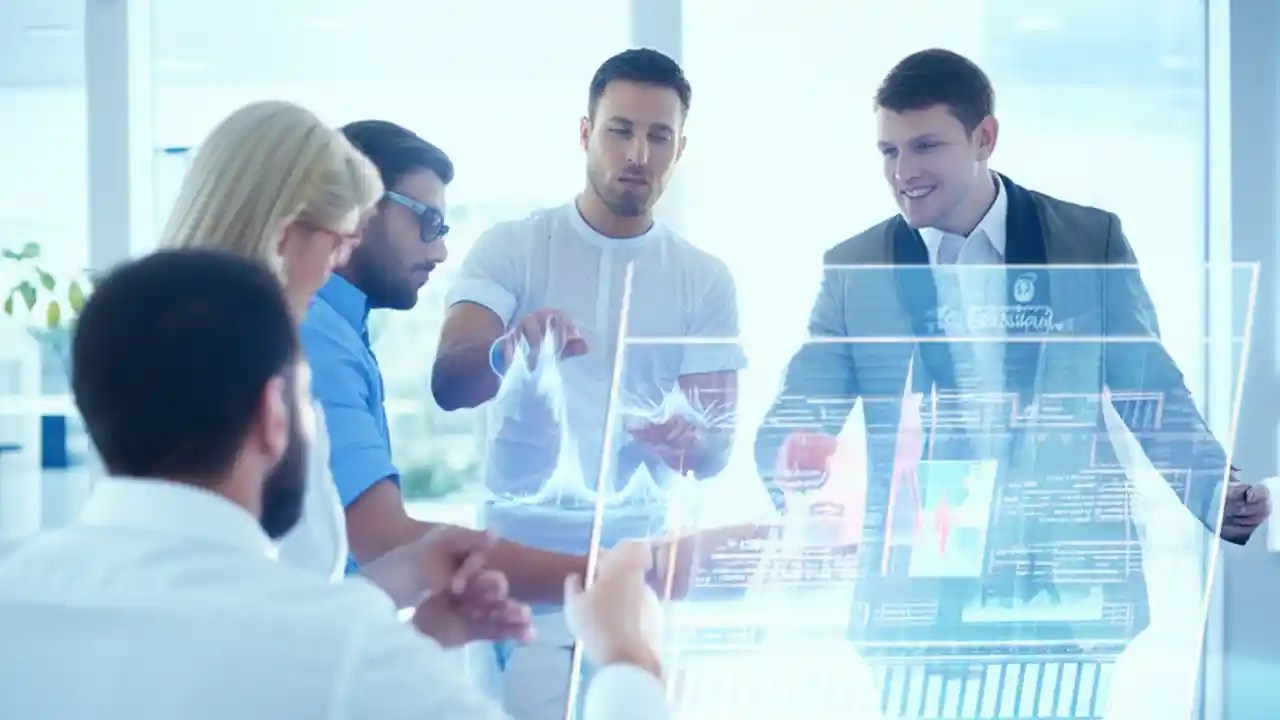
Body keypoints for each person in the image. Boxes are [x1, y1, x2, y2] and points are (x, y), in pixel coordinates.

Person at [754, 48, 1270, 717]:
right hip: (920, 597)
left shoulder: (1088, 241)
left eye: (925, 146)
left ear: (985, 138)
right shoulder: (858, 267)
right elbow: (806, 400)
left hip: (1062, 584)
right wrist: (793, 455)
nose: (903, 173)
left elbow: (1149, 390)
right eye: (888, 151)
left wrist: (1214, 489)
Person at [0, 250, 669, 720]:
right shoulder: (339, 646)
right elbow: (309, 662)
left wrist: (412, 629)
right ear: (272, 413)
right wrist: (625, 661)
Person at [431, 48, 747, 719]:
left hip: (635, 579)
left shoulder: (704, 278)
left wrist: (684, 436)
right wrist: (507, 353)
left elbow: (714, 452)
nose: (638, 153)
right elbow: (450, 380)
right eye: (620, 129)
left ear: (678, 147)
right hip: (519, 573)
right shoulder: (514, 246)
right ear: (585, 133)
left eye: (659, 136)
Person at [160, 100, 483, 621]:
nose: (344, 248)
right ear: (289, 231)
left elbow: (309, 595)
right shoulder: (309, 342)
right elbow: (369, 548)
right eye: (340, 232)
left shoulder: (291, 339)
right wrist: (586, 571)